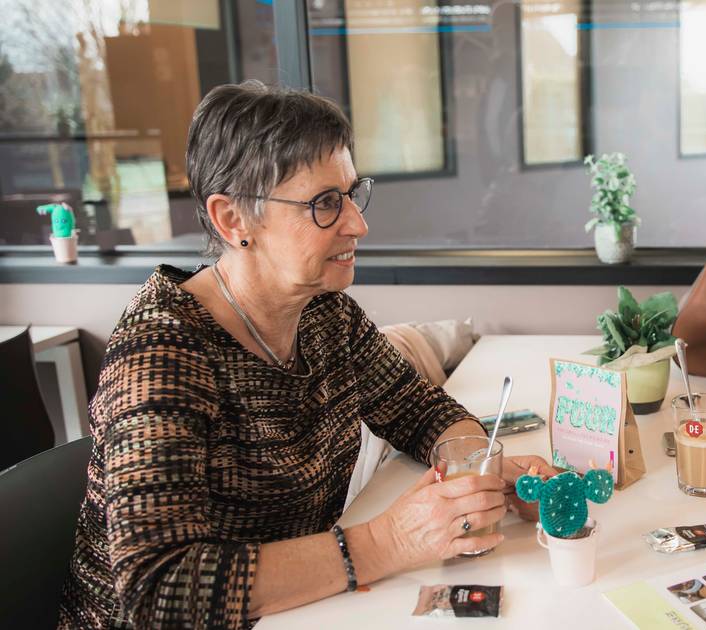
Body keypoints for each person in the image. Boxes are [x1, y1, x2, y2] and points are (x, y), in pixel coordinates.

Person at [58, 81, 550, 628]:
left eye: (351, 193)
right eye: (323, 204)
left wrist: (481, 469)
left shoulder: (324, 314)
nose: (358, 224)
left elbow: (420, 411)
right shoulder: (161, 353)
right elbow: (160, 592)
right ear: (232, 220)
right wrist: (386, 541)